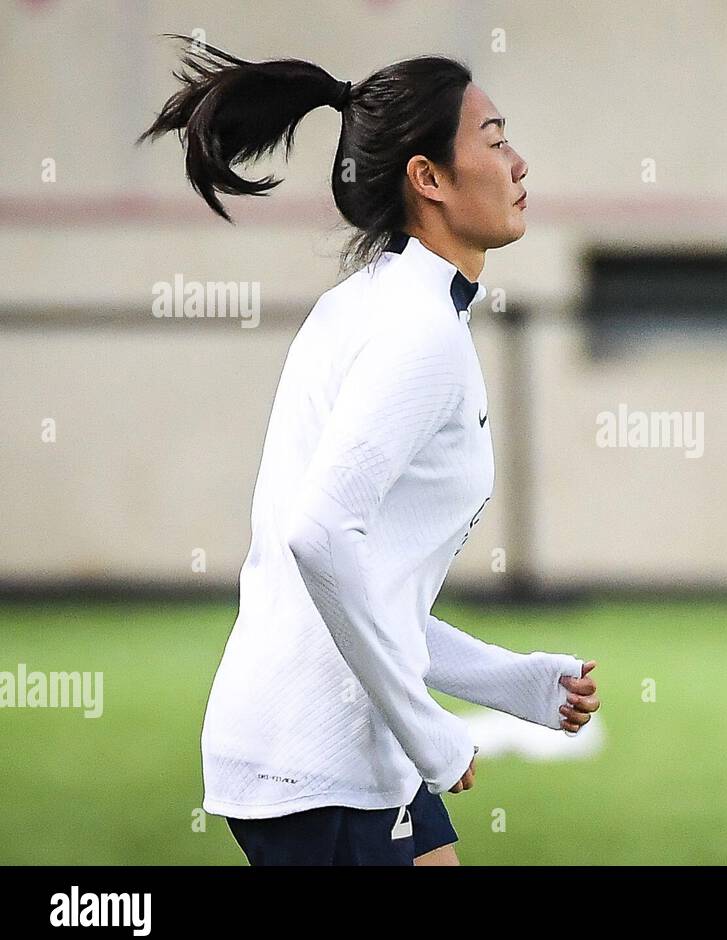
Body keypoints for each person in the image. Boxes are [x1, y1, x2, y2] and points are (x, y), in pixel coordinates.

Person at [141, 37, 600, 866]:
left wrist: (516, 683)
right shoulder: (417, 334)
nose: (519, 162)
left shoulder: (372, 306)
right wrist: (430, 729)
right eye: (494, 141)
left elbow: (369, 591)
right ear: (428, 179)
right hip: (322, 763)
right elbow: (317, 538)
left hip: (335, 750)